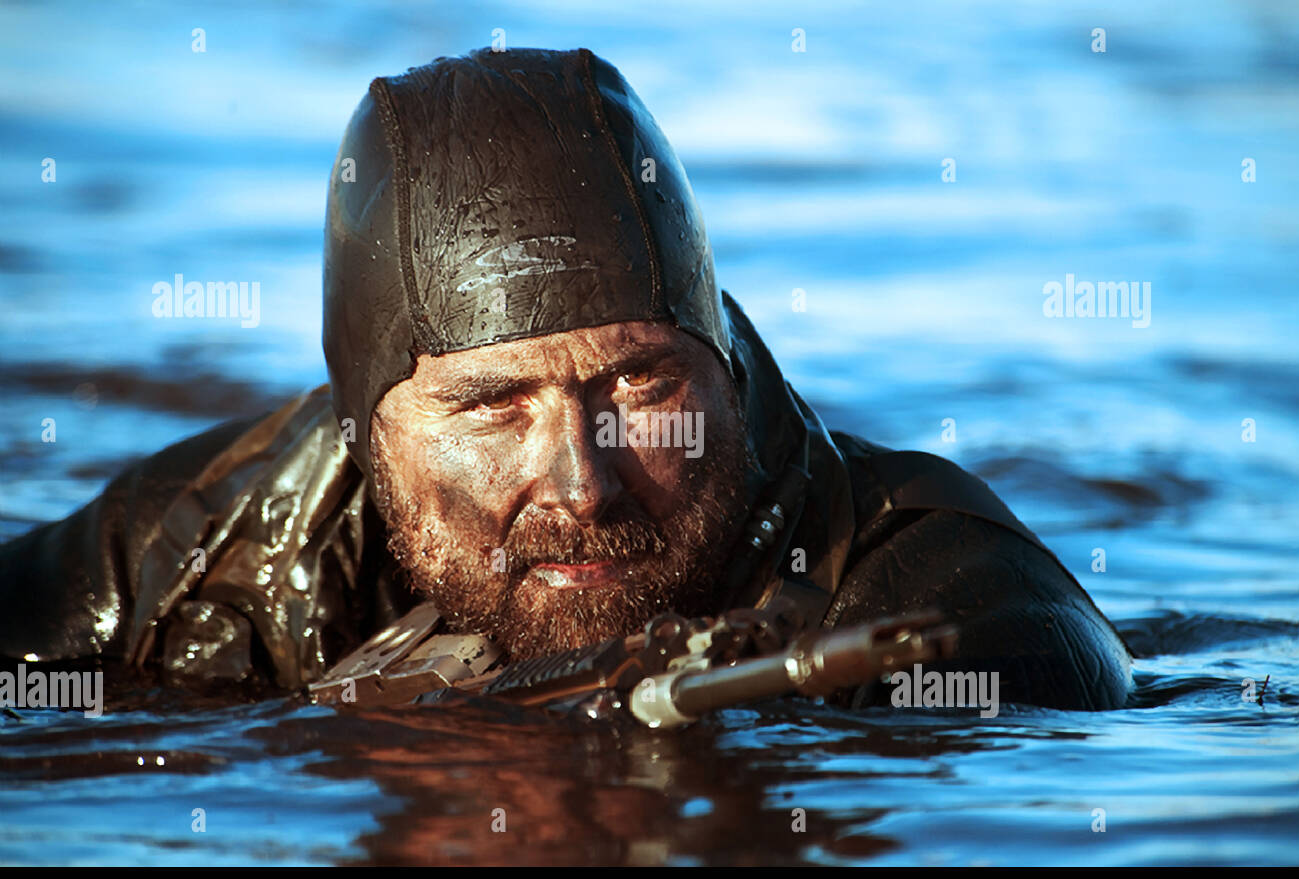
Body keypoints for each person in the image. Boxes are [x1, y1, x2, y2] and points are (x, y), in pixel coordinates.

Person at [0, 47, 1132, 710]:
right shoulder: (204, 553)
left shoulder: (935, 604)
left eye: (641, 388)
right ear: (366, 427)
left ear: (724, 370)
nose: (580, 486)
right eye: (491, 406)